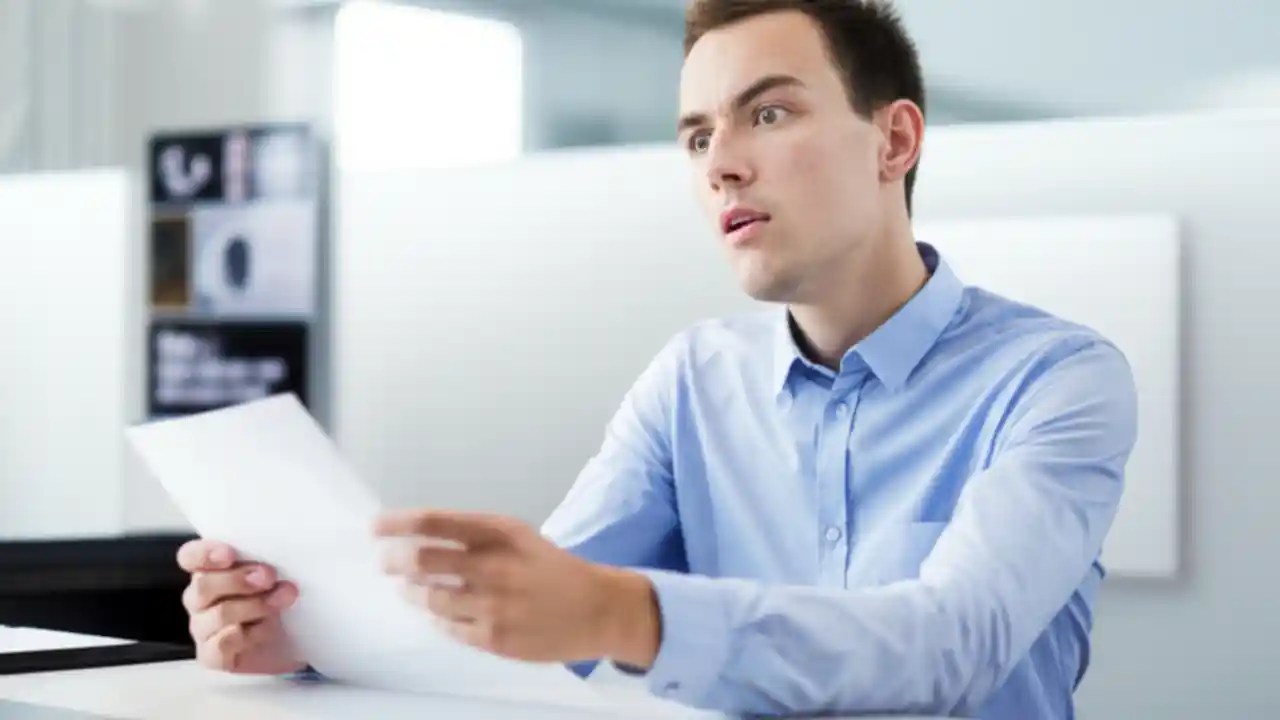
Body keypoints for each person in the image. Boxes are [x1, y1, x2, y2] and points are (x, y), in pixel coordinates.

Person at [175, 1, 1137, 718]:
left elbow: (952, 645)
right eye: (697, 135)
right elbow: (536, 631)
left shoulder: (1055, 379)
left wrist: (623, 614)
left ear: (894, 139)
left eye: (767, 115)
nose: (720, 163)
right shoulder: (690, 383)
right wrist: (306, 638)